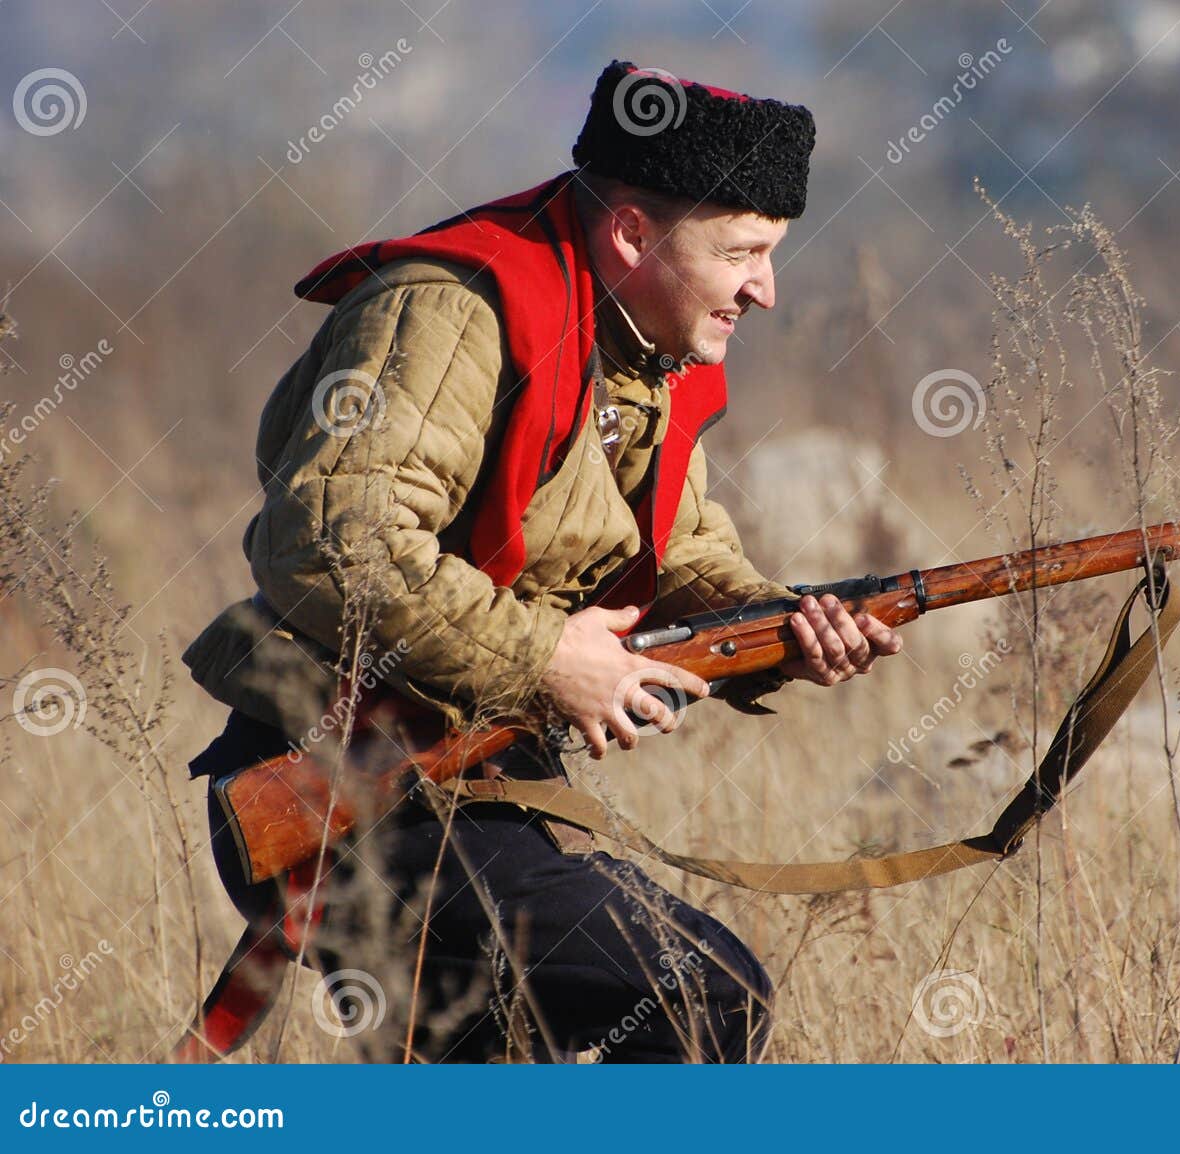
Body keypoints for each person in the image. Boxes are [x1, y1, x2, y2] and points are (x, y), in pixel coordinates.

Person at [181, 60, 902, 1063]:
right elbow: (332, 542)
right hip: (339, 785)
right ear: (632, 233)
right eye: (743, 250)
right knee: (699, 996)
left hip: (475, 791)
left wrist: (786, 625)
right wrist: (541, 659)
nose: (765, 290)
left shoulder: (643, 350)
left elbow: (679, 552)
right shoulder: (446, 312)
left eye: (771, 253)